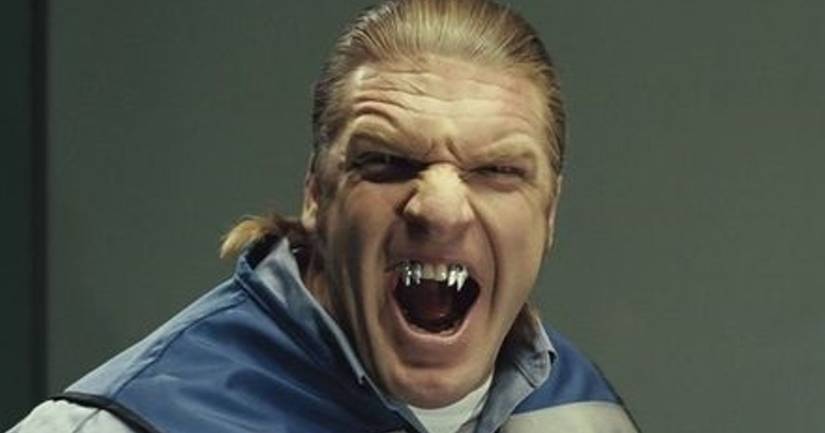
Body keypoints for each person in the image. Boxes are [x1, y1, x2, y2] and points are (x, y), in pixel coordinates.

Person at [10, 0, 640, 432]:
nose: (441, 209)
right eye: (387, 162)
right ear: (316, 194)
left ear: (550, 213)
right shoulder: (130, 424)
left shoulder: (580, 413)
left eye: (497, 170)